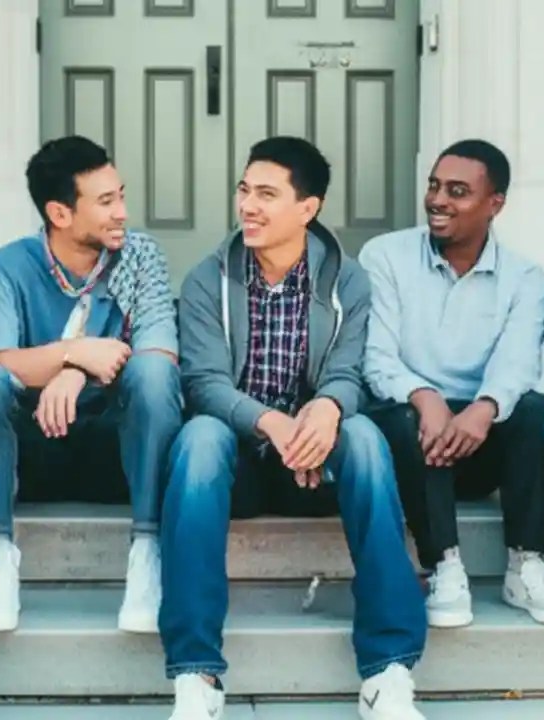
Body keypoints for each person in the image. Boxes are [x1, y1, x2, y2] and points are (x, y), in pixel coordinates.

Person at [160, 136, 428, 720]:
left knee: (365, 439)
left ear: (308, 209)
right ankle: (196, 674)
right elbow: (203, 382)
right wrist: (272, 424)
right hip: (240, 462)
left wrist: (327, 410)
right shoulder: (207, 280)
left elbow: (350, 371)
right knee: (198, 440)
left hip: (317, 461)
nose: (247, 206)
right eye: (244, 190)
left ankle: (388, 669)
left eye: (266, 194)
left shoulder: (349, 282)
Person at [0, 135, 181, 635]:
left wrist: (77, 374)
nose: (122, 211)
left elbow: (160, 350)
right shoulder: (7, 266)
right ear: (60, 213)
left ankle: (148, 554)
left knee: (155, 373)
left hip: (115, 436)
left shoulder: (139, 257)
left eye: (120, 195)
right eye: (106, 202)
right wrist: (72, 353)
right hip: (31, 443)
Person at [362, 139, 544, 629]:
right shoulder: (386, 256)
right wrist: (426, 398)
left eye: (458, 191)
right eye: (435, 186)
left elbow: (518, 364)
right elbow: (376, 358)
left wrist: (483, 409)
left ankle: (525, 564)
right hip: (409, 438)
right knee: (400, 415)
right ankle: (443, 564)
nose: (438, 200)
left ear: (494, 204)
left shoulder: (525, 277)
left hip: (480, 440)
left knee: (540, 411)